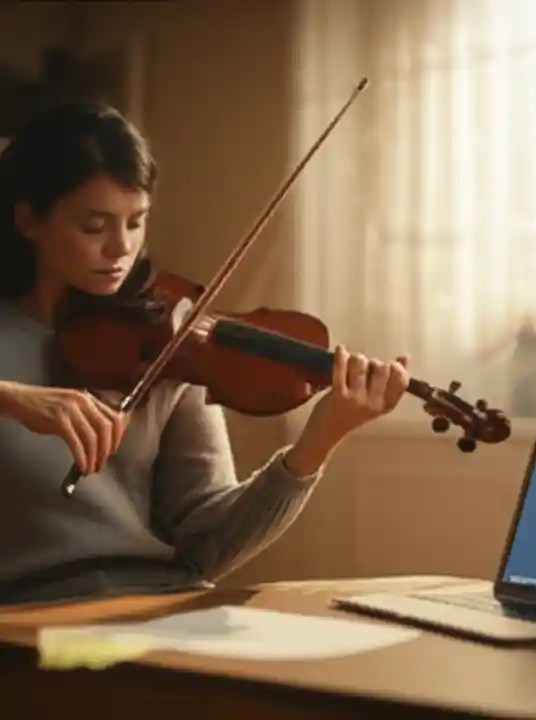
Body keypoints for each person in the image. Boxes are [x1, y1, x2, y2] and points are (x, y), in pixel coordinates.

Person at [0, 101, 412, 605]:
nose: (120, 248)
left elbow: (207, 547)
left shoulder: (166, 344)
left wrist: (319, 442)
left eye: (136, 222)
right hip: (30, 618)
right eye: (94, 226)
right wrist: (11, 396)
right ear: (28, 219)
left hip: (165, 605)